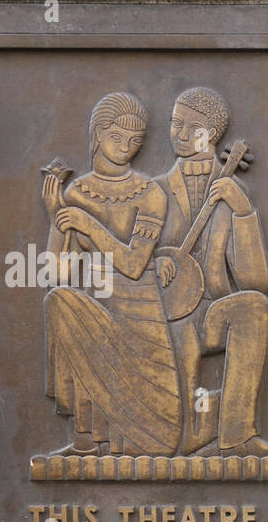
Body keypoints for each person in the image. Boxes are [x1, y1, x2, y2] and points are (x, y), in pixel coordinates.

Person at [42, 92, 181, 457]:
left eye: (135, 142)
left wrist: (89, 225)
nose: (126, 148)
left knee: (160, 441)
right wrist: (57, 214)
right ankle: (86, 436)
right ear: (98, 135)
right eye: (117, 138)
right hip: (101, 307)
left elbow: (135, 265)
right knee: (60, 302)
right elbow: (58, 273)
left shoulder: (150, 193)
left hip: (141, 318)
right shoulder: (77, 193)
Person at [155, 86, 268, 458]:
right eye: (174, 124)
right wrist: (154, 265)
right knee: (176, 333)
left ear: (212, 135)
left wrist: (243, 210)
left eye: (190, 127)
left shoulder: (232, 191)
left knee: (255, 307)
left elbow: (255, 281)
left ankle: (236, 435)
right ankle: (186, 430)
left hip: (209, 313)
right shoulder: (153, 192)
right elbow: (124, 263)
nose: (179, 135)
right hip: (160, 314)